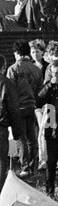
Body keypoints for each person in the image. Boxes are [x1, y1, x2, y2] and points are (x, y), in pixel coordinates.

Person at [7, 43, 40, 177]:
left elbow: (9, 90)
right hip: (32, 106)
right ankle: (33, 166)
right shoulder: (36, 69)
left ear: (17, 53)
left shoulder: (13, 69)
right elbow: (40, 88)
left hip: (18, 107)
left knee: (21, 138)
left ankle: (24, 166)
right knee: (32, 138)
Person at [0, 55, 23, 188]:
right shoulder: (6, 83)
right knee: (1, 163)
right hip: (1, 128)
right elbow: (14, 109)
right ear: (3, 67)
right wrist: (16, 133)